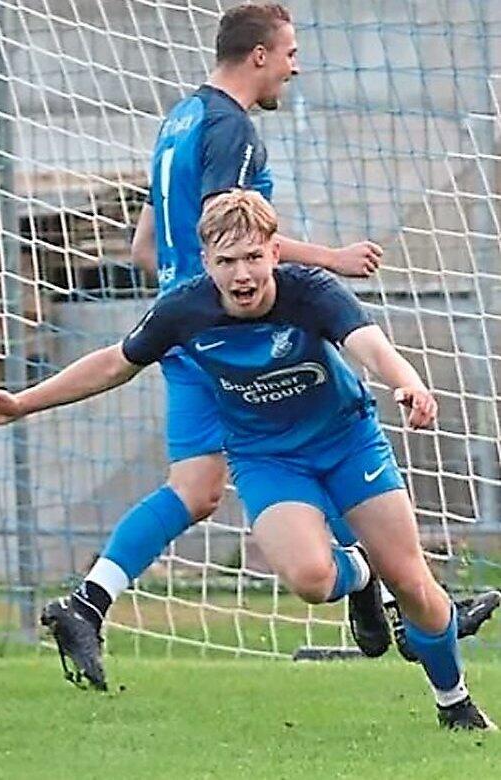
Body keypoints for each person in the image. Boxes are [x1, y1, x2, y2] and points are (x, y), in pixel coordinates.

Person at [34, 1, 496, 688]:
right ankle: (382, 586)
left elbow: (142, 243)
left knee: (208, 484)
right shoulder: (230, 128)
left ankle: (92, 602)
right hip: (219, 334)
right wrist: (325, 261)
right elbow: (234, 231)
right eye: (288, 53)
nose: (294, 65)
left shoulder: (179, 118)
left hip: (192, 324)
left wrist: (179, 293)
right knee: (230, 473)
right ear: (258, 56)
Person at [0, 190, 493, 730]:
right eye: (227, 261)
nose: (242, 274)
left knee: (414, 584)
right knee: (309, 578)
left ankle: (454, 702)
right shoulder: (184, 310)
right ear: (207, 262)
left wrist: (410, 386)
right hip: (267, 459)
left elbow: (372, 347)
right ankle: (360, 571)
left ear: (275, 254)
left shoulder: (312, 294)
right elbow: (113, 365)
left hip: (347, 443)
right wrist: (21, 403)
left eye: (253, 257)